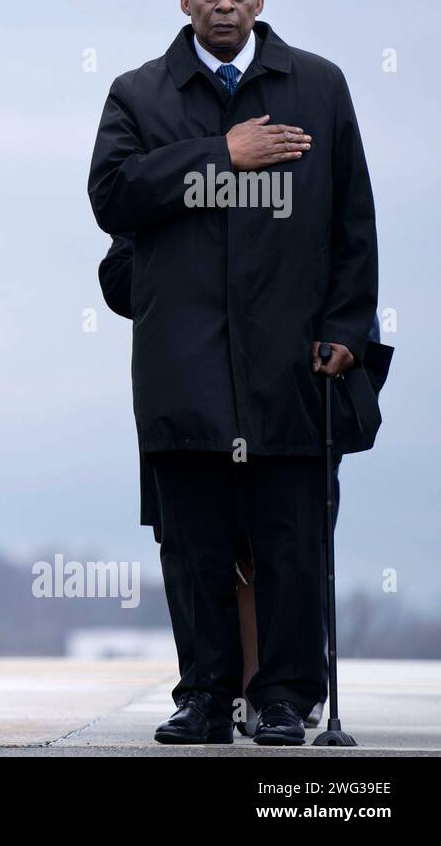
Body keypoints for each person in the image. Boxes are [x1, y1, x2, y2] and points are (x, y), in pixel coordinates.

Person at [87, 0, 378, 745]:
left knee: (291, 537)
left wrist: (347, 330)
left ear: (260, 0)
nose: (224, 4)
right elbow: (111, 196)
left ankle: (284, 699)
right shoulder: (138, 95)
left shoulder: (318, 87)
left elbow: (353, 222)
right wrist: (223, 154)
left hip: (291, 361)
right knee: (196, 544)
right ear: (185, 2)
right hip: (184, 366)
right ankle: (206, 699)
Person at [98, 236, 391, 736]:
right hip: (194, 385)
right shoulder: (177, 179)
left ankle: (281, 693)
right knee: (206, 545)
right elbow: (119, 274)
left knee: (287, 542)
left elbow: (349, 253)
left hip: (289, 386)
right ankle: (226, 693)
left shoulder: (307, 174)